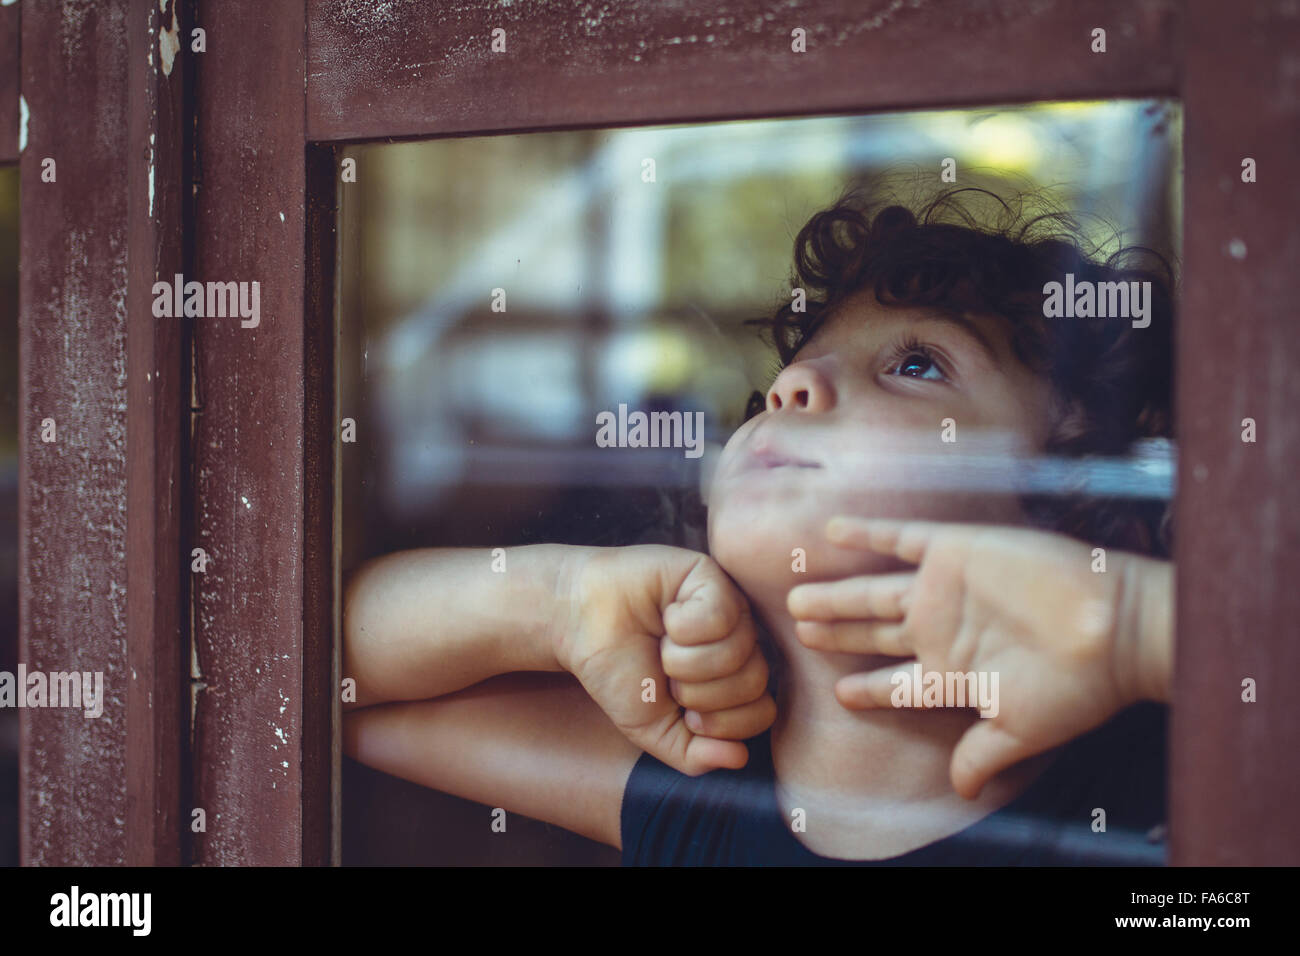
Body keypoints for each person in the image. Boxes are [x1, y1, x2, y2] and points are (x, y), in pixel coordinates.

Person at [342, 184, 1176, 864]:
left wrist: (1140, 628)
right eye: (797, 362)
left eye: (915, 365)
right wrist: (558, 602)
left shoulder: (1167, 803)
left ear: (1090, 513)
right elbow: (331, 684)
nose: (796, 382)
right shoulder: (699, 780)